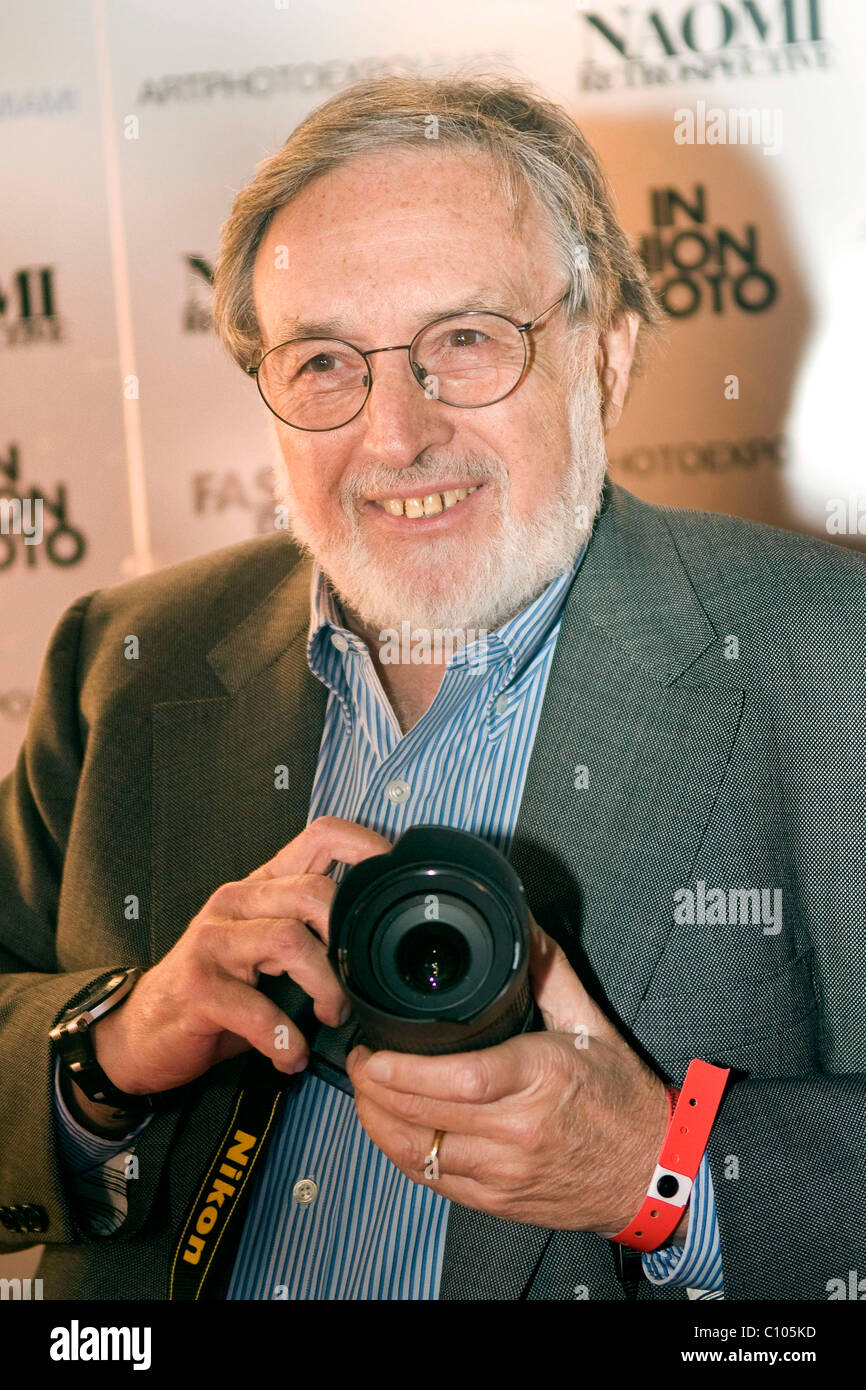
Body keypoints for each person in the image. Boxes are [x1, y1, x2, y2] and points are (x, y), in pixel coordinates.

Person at [1, 73, 864, 1302]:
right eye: (321, 362)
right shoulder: (124, 663)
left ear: (604, 356)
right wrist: (108, 1050)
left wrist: (658, 1167)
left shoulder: (834, 657)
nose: (394, 435)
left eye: (464, 341)